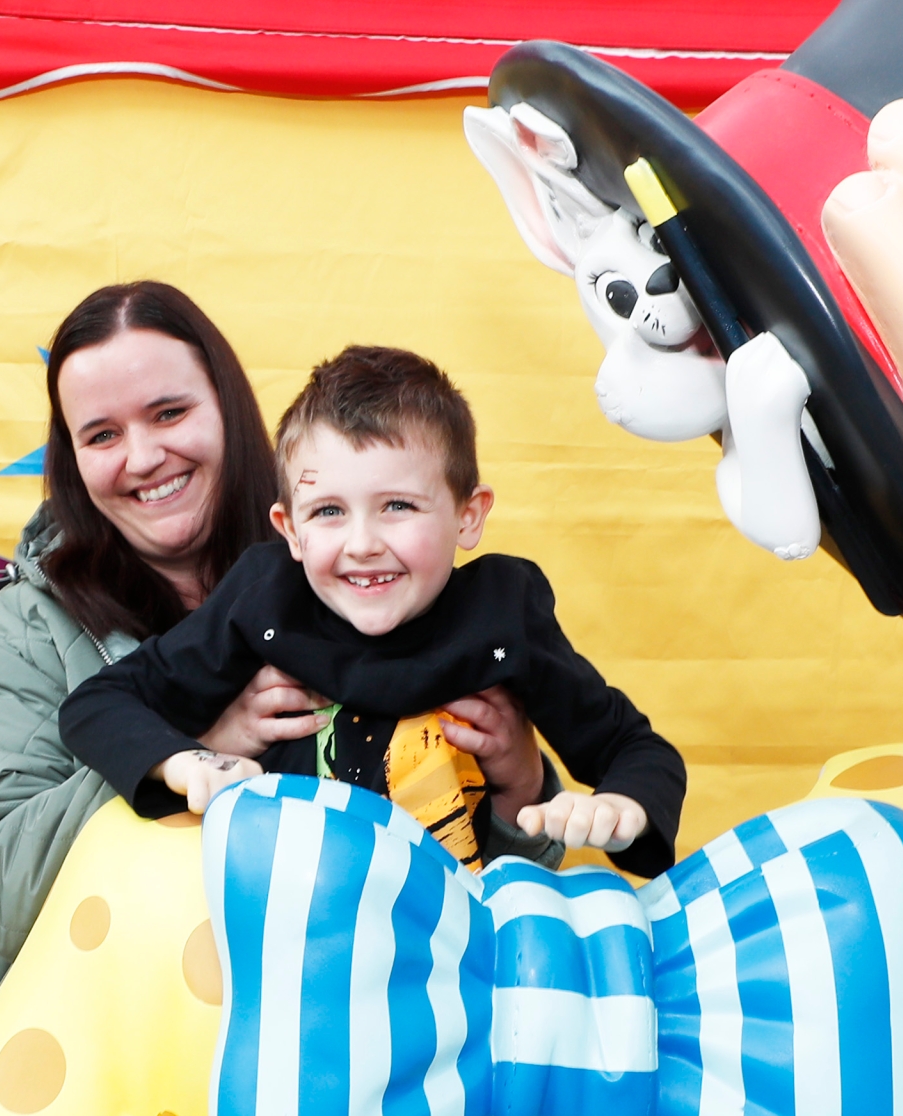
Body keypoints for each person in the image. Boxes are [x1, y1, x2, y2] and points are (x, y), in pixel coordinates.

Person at [0, 284, 560, 998]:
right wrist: (188, 747)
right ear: (71, 457)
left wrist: (520, 790)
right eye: (102, 435)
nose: (143, 456)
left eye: (169, 413)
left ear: (227, 407)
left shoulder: (354, 571)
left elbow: (476, 885)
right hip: (127, 1040)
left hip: (350, 1026)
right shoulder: (28, 630)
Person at [59, 345, 687, 878]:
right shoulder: (265, 598)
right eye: (329, 512)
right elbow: (99, 702)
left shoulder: (502, 615)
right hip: (284, 931)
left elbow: (637, 748)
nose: (362, 543)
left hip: (447, 944)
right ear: (291, 529)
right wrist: (187, 759)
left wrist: (622, 807)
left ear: (468, 516)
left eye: (398, 506)